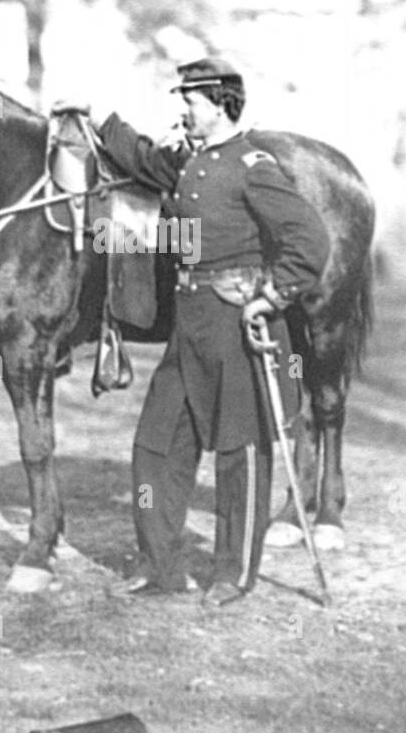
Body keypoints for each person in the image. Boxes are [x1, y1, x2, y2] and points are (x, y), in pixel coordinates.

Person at [57, 58, 330, 606]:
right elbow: (140, 158)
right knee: (154, 447)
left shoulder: (253, 165)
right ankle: (161, 567)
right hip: (188, 326)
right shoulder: (188, 160)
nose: (184, 110)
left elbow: (310, 240)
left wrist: (271, 296)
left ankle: (233, 574)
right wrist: (99, 118)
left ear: (222, 105)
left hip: (237, 325)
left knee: (240, 454)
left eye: (193, 101)